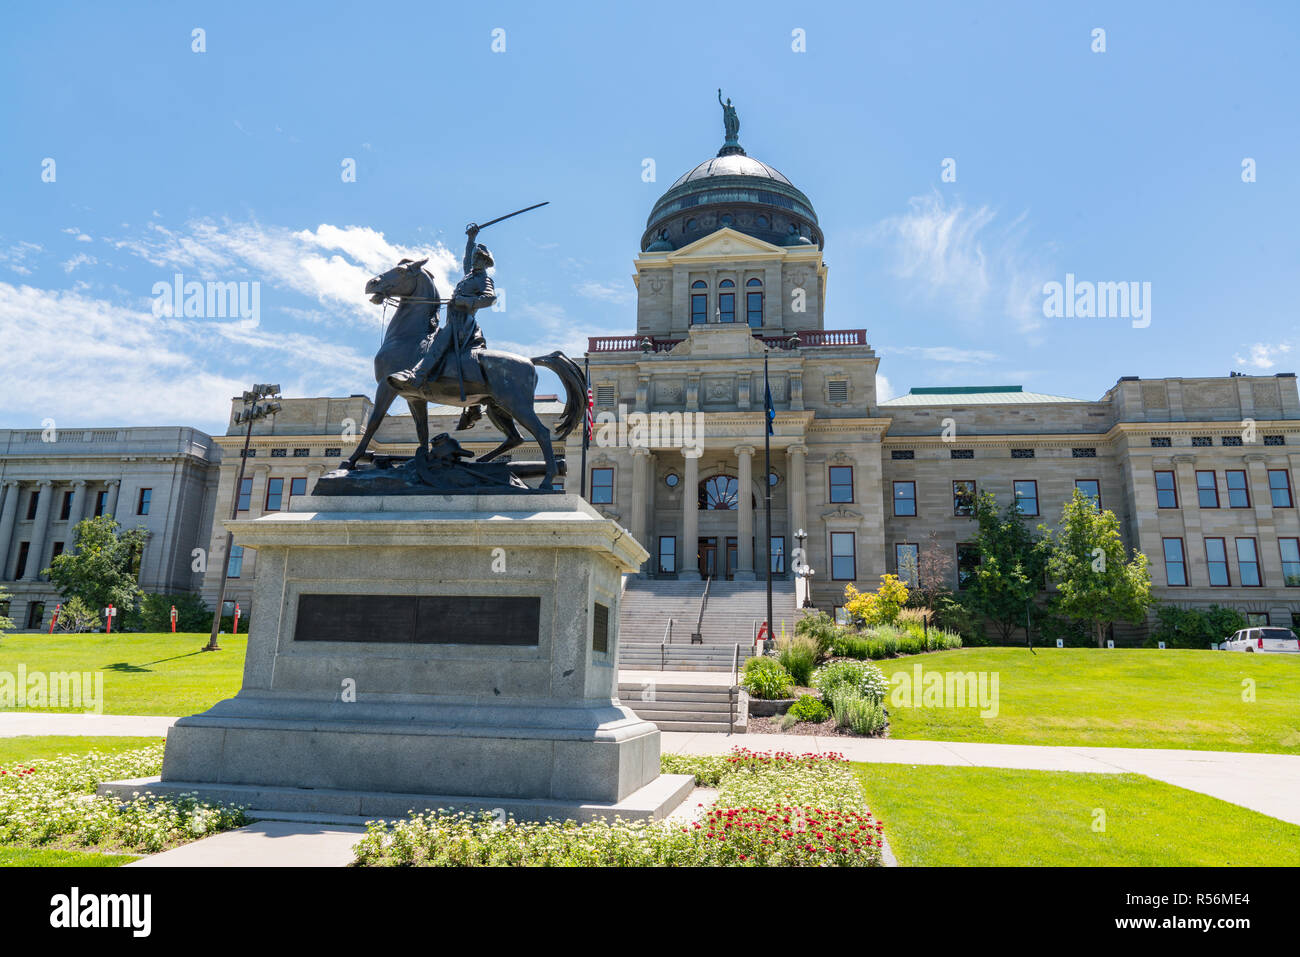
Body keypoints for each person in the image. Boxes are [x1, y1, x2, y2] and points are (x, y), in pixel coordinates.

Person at [387, 223, 494, 394]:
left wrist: (464, 301)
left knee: (438, 343)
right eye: (475, 257)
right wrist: (471, 239)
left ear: (485, 262)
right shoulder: (470, 275)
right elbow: (466, 259)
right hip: (453, 320)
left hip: (463, 324)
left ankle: (417, 376)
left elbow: (490, 299)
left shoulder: (483, 279)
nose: (475, 260)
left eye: (479, 258)